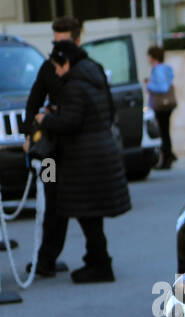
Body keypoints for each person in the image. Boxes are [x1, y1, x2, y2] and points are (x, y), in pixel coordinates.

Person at [34, 40, 131, 284]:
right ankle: (95, 259)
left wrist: (45, 120)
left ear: (66, 62)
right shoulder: (94, 74)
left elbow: (71, 122)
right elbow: (106, 110)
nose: (55, 72)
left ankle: (100, 264)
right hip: (99, 153)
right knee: (91, 214)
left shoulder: (74, 85)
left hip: (83, 159)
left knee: (86, 214)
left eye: (57, 66)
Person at [22, 15, 84, 279]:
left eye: (65, 42)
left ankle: (94, 256)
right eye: (55, 42)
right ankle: (46, 259)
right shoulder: (48, 68)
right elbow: (33, 99)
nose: (59, 49)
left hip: (77, 148)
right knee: (51, 202)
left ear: (77, 40)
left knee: (80, 204)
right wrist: (28, 134)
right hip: (51, 152)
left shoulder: (84, 67)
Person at [146, 46, 177, 169]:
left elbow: (163, 88)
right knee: (165, 132)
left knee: (163, 132)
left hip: (161, 106)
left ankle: (167, 158)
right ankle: (168, 155)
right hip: (165, 106)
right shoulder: (164, 69)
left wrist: (149, 85)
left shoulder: (158, 70)